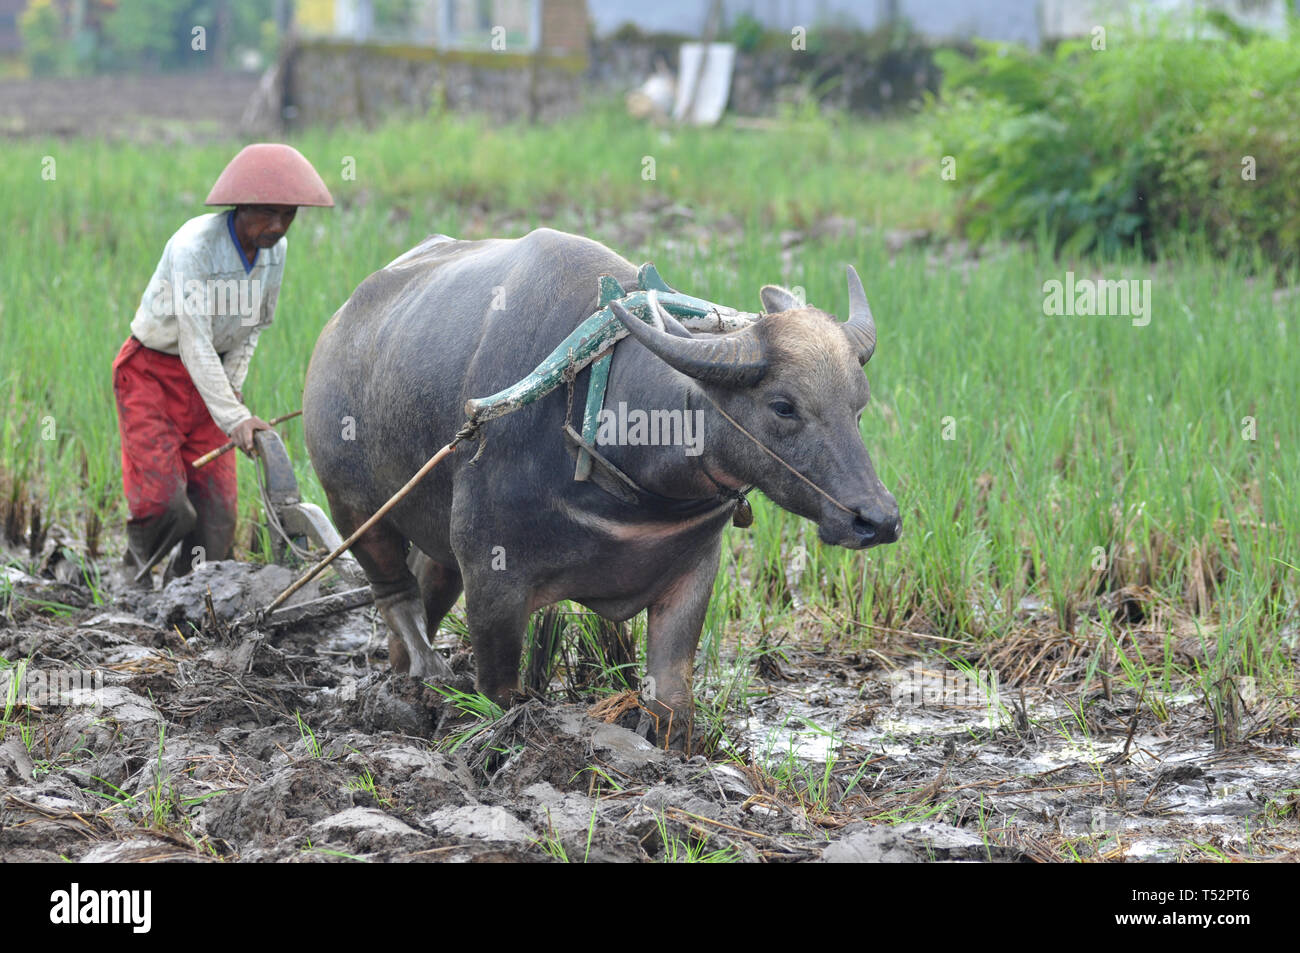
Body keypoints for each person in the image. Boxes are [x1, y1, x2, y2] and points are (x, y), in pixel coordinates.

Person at [112, 143, 334, 587]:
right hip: (153, 375)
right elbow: (194, 343)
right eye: (267, 214)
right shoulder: (196, 247)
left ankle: (186, 595)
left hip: (211, 383)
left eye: (287, 215)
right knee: (164, 503)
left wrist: (231, 394)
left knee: (217, 519)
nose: (277, 226)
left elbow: (253, 327)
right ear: (241, 207)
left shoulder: (276, 250)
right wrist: (234, 416)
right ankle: (131, 580)